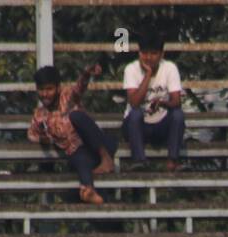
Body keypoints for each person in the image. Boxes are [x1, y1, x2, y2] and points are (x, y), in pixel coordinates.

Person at [29, 62, 117, 205]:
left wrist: (87, 73)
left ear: (58, 88)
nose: (45, 94)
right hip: (79, 154)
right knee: (77, 157)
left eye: (49, 89)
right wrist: (43, 139)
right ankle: (92, 194)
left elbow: (80, 87)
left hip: (97, 144)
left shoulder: (68, 96)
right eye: (41, 89)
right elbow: (31, 134)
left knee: (76, 116)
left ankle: (106, 159)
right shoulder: (40, 115)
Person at [121, 33, 185, 171]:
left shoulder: (170, 68)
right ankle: (139, 161)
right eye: (144, 53)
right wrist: (148, 75)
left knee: (178, 115)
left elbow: (176, 101)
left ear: (161, 54)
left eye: (153, 53)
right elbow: (134, 103)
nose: (148, 57)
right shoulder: (131, 69)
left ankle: (172, 161)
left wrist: (162, 103)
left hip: (160, 124)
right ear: (139, 53)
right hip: (137, 126)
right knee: (136, 113)